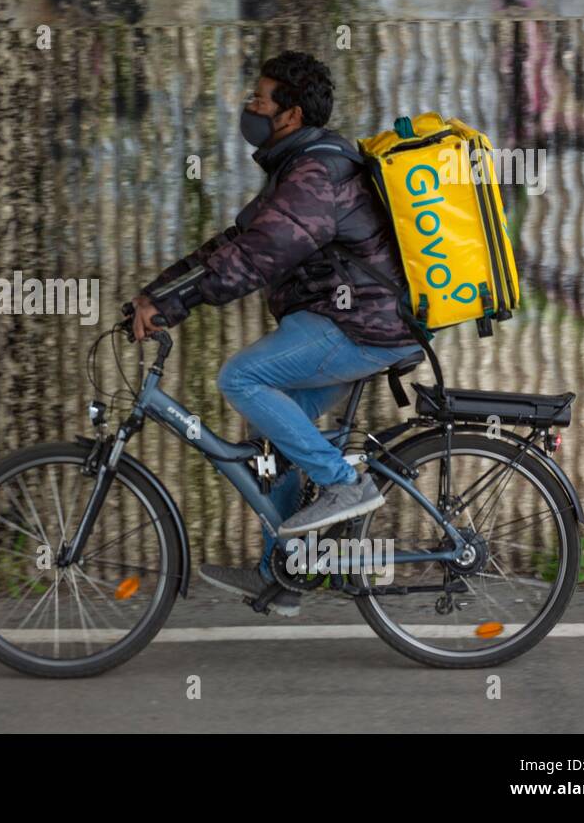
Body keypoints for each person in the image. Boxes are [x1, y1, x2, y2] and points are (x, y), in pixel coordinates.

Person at [130, 50, 423, 617]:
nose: (249, 106)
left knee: (241, 377)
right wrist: (157, 293)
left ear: (289, 114)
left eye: (259, 98)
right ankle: (287, 572)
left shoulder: (317, 173)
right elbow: (235, 243)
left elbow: (260, 256)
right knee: (279, 430)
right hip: (357, 320)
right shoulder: (298, 167)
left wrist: (177, 304)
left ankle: (345, 485)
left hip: (364, 323)